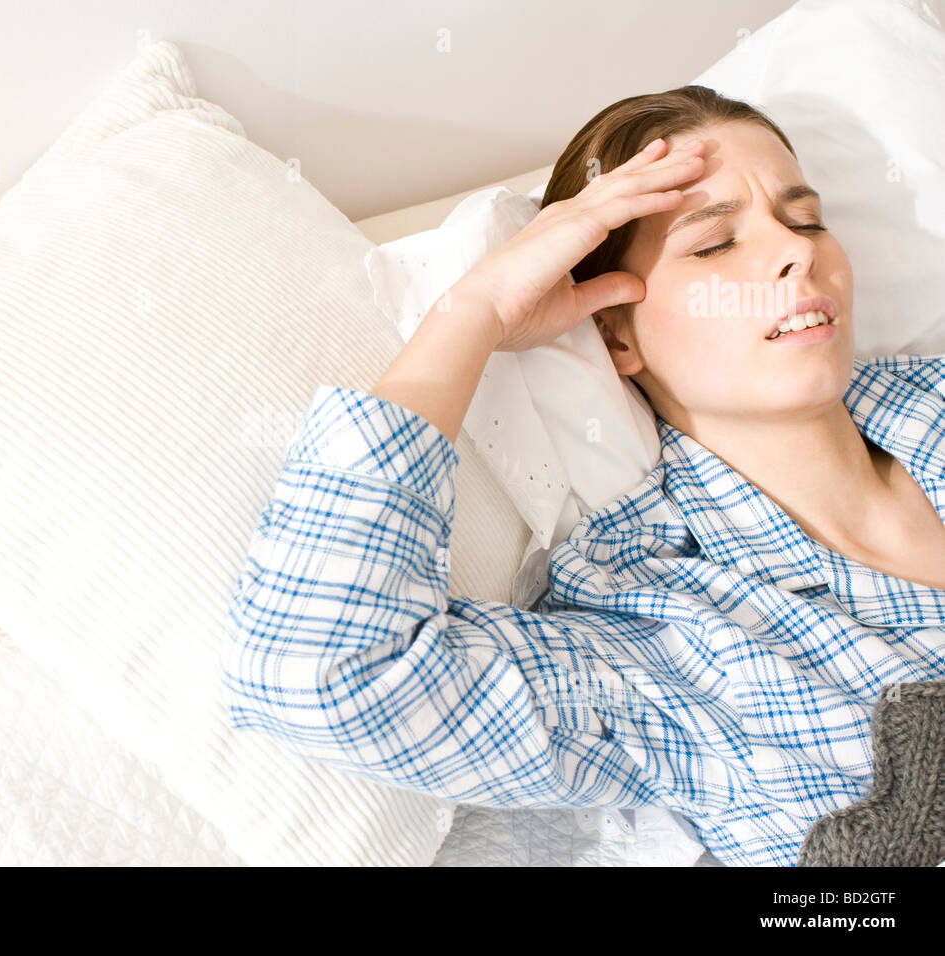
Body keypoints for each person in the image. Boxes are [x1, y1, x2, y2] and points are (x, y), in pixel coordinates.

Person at [218, 85, 945, 867]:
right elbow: (322, 674)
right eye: (713, 245)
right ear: (614, 337)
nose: (797, 250)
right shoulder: (657, 624)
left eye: (806, 220)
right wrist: (474, 315)